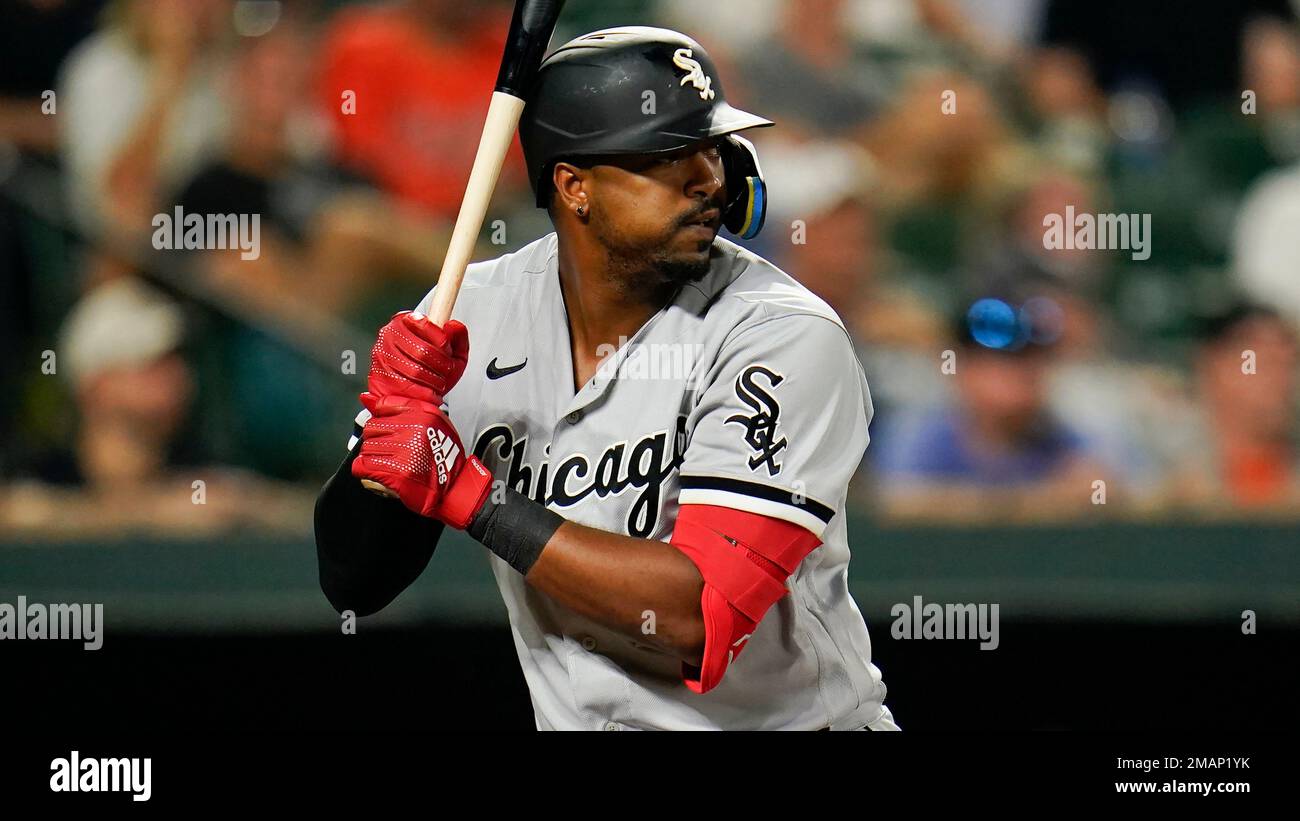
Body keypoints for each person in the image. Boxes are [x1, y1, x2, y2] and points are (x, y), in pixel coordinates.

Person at [314, 27, 896, 731]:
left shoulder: (780, 334)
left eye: (711, 148)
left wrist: (466, 491)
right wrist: (393, 430)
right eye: (666, 156)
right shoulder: (470, 310)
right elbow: (354, 580)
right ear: (574, 186)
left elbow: (700, 620)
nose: (708, 178)